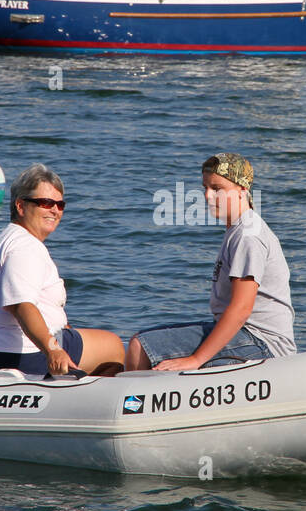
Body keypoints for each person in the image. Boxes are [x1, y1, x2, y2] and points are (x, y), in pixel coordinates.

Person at [0, 163, 125, 377]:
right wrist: (53, 349)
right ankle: (83, 402)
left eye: (60, 204)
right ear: (20, 206)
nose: (55, 210)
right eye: (45, 203)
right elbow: (21, 305)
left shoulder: (7, 240)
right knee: (113, 347)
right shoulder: (25, 247)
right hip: (8, 352)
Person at [127, 152, 296, 371]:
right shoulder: (238, 229)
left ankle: (133, 404)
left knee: (140, 346)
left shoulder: (248, 235)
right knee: (142, 340)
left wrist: (196, 359)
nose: (207, 196)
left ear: (242, 190)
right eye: (205, 188)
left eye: (217, 189)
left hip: (264, 344)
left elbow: (241, 309)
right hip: (247, 335)